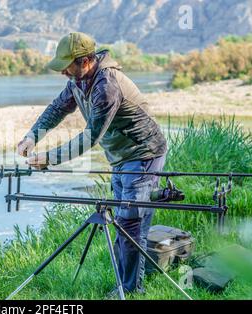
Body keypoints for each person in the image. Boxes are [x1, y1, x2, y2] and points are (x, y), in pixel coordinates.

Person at [17, 32, 167, 295]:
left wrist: (50, 159)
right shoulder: (78, 80)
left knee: (130, 224)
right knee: (125, 224)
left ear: (85, 61)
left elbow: (91, 137)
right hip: (120, 157)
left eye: (67, 64)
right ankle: (128, 285)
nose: (63, 71)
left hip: (143, 155)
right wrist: (32, 135)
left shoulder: (107, 86)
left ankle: (131, 291)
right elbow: (57, 108)